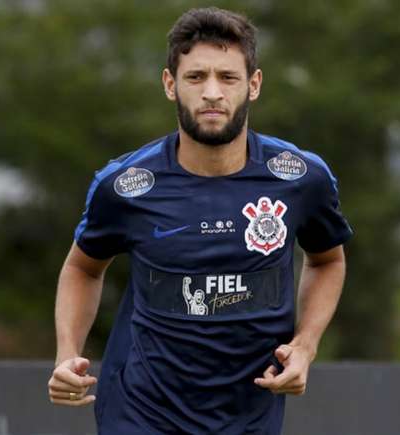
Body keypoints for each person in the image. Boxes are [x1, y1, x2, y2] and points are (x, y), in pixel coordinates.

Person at [47, 7, 352, 434]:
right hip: (140, 410)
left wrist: (305, 346)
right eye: (196, 77)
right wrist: (66, 354)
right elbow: (82, 267)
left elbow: (327, 261)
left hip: (249, 413)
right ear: (171, 85)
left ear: (254, 85)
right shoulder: (126, 185)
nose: (212, 92)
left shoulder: (301, 178)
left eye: (227, 78)